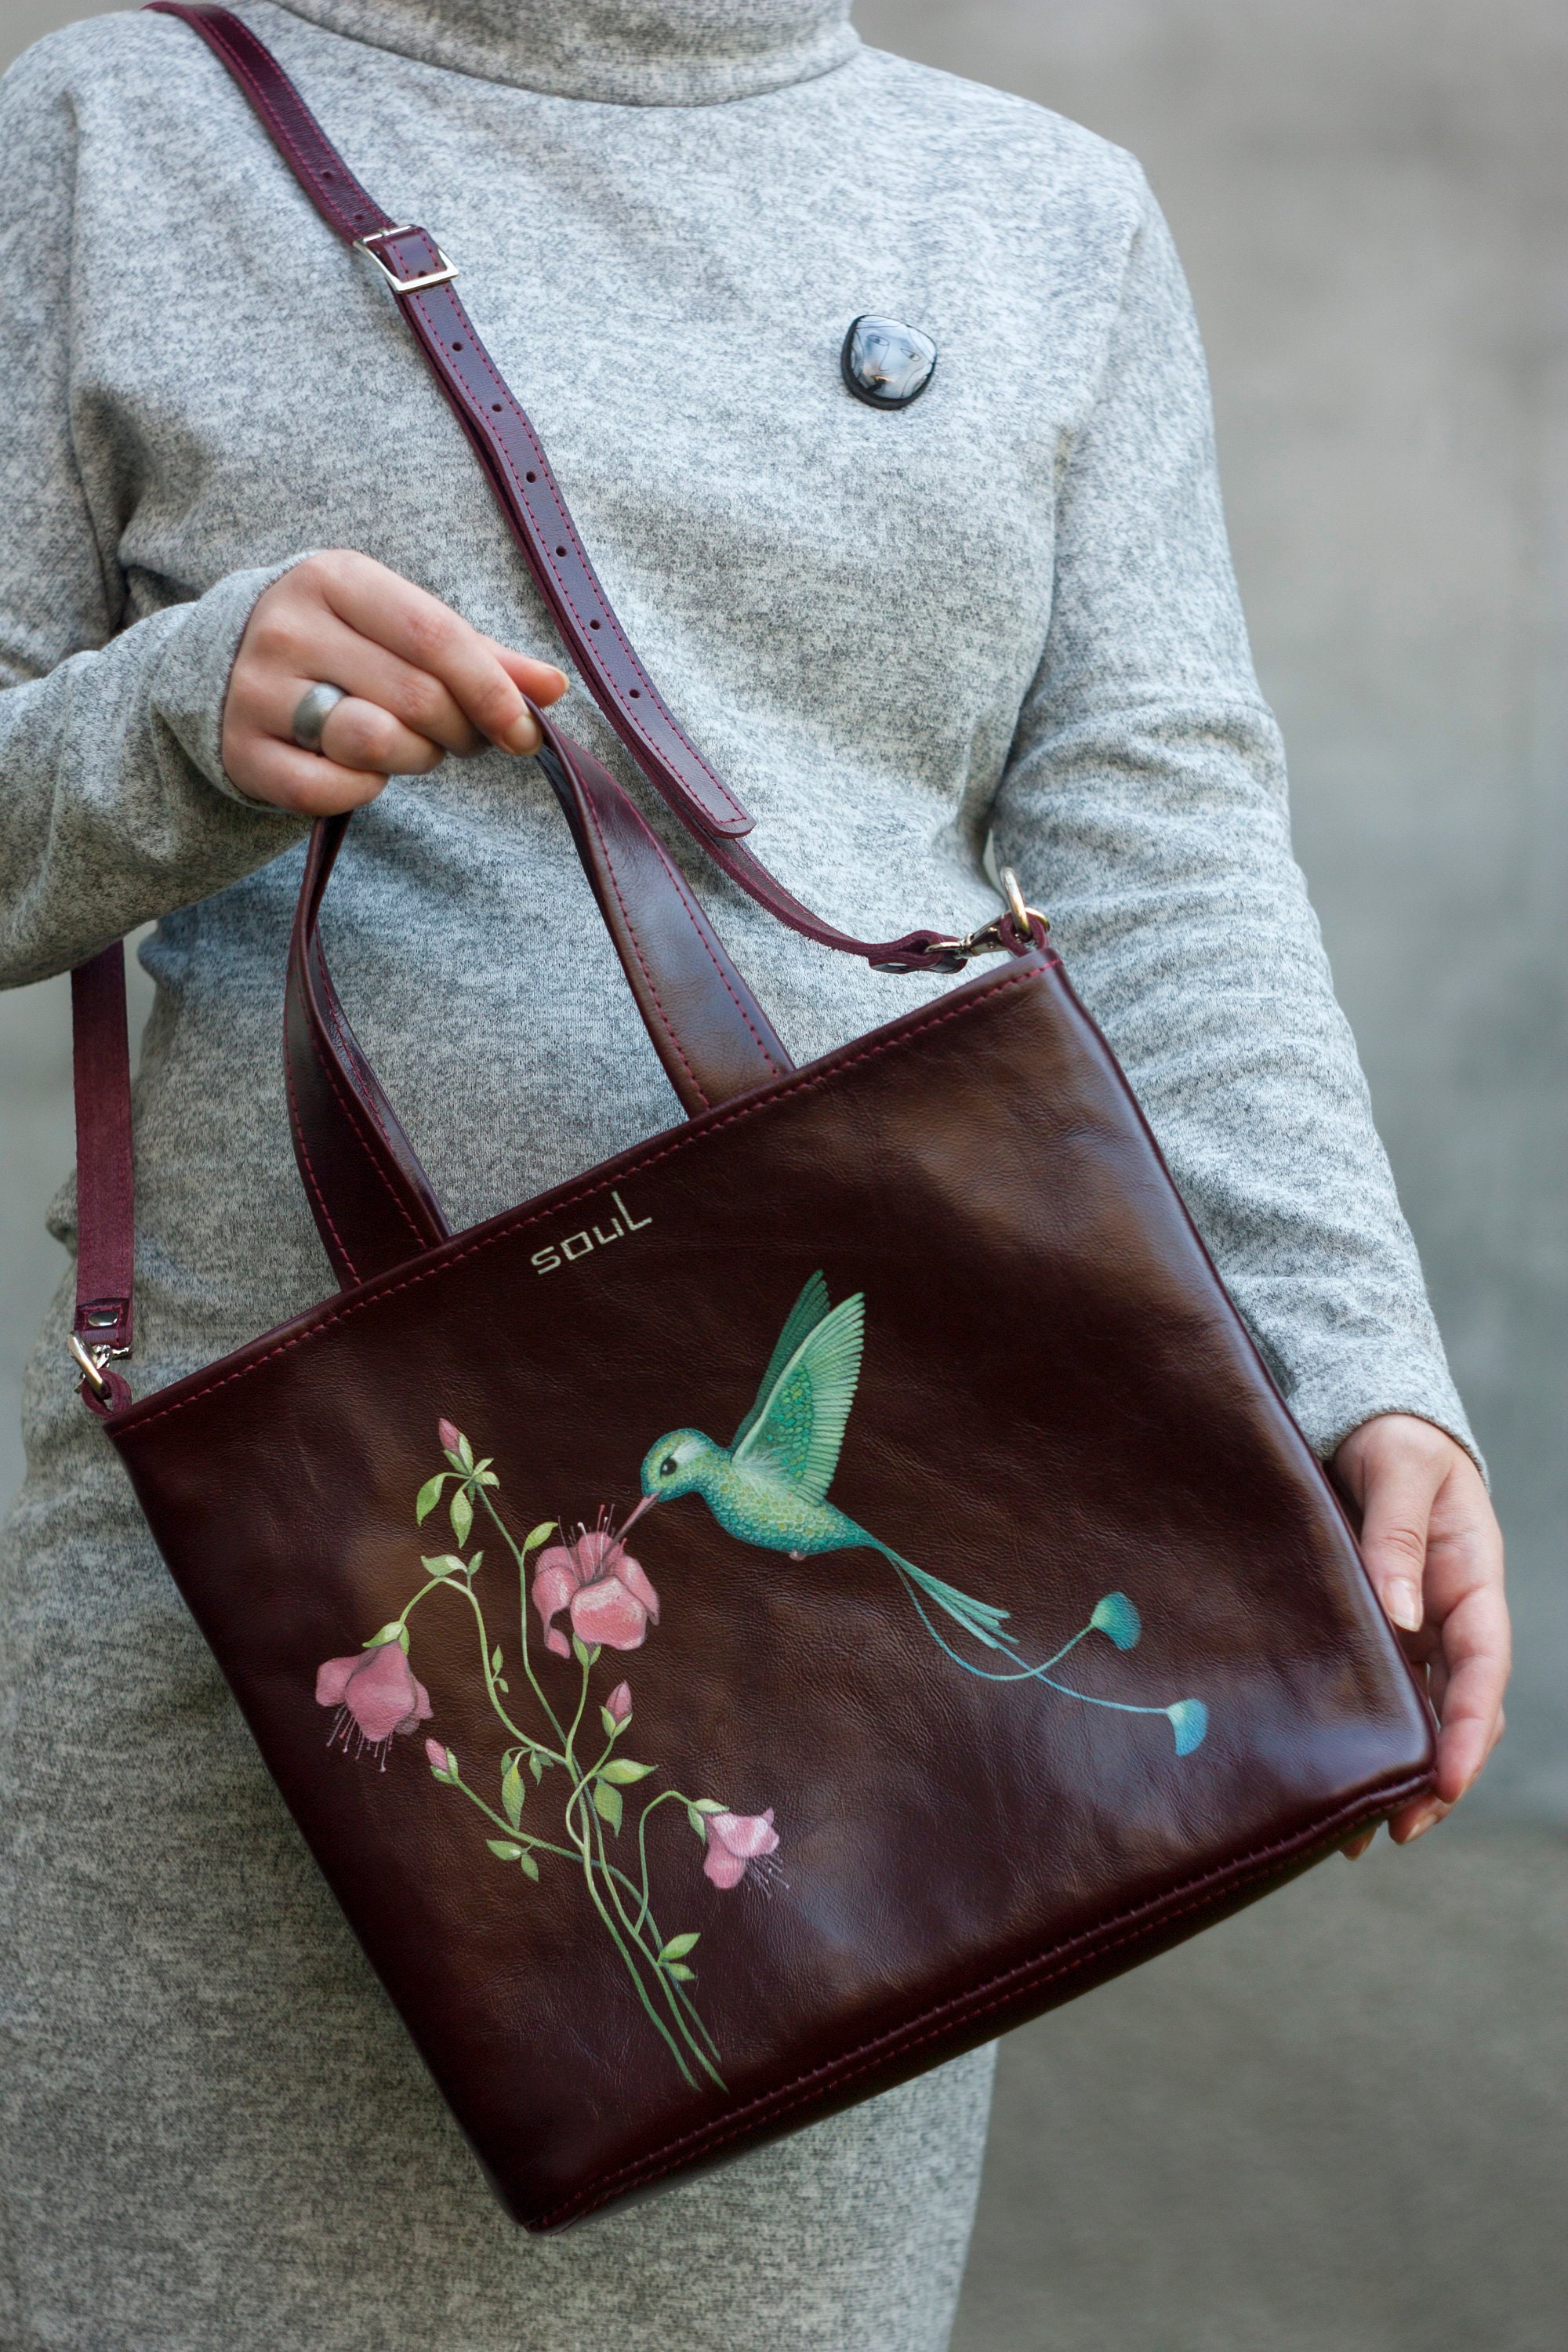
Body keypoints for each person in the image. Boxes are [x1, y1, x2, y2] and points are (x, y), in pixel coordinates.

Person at [0, 3, 1509, 2347]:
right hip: (287, 1630)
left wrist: (1358, 1366)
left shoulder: (1037, 215)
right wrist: (171, 717)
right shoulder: (109, 130)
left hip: (828, 1705)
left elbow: (1167, 847)